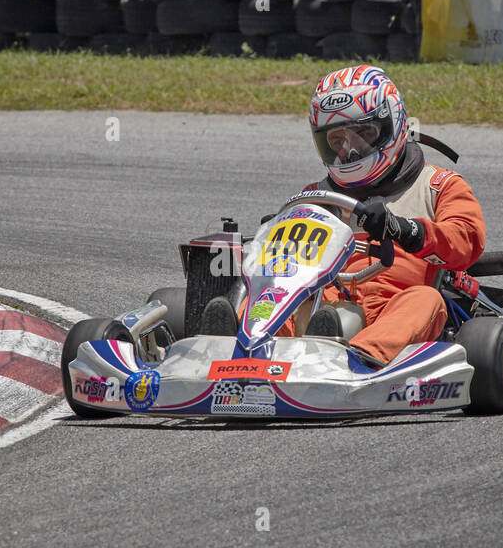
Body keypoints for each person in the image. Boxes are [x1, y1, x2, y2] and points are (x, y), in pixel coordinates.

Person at [203, 64, 487, 365]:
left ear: (393, 125)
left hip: (393, 307)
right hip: (322, 308)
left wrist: (406, 230)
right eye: (336, 140)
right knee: (271, 291)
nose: (349, 151)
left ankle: (357, 360)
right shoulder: (316, 194)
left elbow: (467, 240)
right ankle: (237, 350)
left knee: (427, 301)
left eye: (362, 134)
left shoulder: (436, 186)